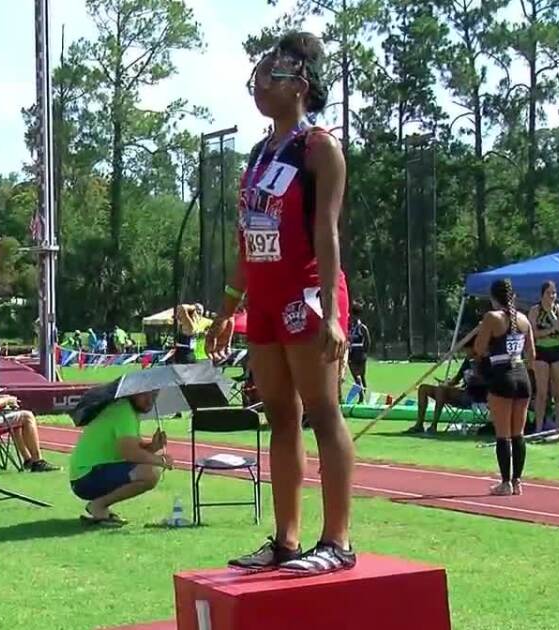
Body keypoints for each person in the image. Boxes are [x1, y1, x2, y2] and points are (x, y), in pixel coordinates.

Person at [205, 32, 356, 574]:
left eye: (272, 72)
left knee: (322, 412)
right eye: (258, 72)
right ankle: (286, 540)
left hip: (309, 297)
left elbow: (327, 233)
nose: (260, 82)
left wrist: (335, 317)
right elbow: (249, 235)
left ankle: (336, 541)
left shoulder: (320, 148)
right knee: (280, 418)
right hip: (264, 302)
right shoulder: (260, 152)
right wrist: (229, 306)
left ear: (302, 85)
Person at [69, 391, 171, 525]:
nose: (149, 400)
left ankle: (100, 506)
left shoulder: (126, 410)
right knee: (150, 473)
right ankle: (98, 506)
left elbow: (130, 451)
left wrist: (153, 447)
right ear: (132, 393)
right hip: (85, 477)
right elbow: (130, 454)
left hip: (85, 475)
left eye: (154, 395)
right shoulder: (123, 412)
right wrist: (160, 461)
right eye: (145, 395)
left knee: (148, 469)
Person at [473, 279, 535, 496]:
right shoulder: (525, 319)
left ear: (493, 298)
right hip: (522, 377)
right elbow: (532, 355)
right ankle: (518, 481)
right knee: (518, 433)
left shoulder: (492, 318)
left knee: (503, 434)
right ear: (513, 297)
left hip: (502, 377)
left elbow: (479, 348)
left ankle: (505, 482)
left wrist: (486, 336)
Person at [406, 335, 484, 434]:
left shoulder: (483, 361)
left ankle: (434, 425)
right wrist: (446, 383)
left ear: (473, 348)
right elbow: (456, 379)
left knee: (441, 390)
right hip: (463, 393)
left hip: (475, 397)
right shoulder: (467, 362)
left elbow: (486, 381)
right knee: (423, 388)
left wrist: (476, 370)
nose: (465, 353)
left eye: (466, 350)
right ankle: (419, 424)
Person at [528, 281, 559, 433]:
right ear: (542, 294)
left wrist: (551, 313)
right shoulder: (535, 310)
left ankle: (558, 427)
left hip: (557, 351)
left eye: (554, 293)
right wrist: (551, 330)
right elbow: (534, 334)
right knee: (542, 392)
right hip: (541, 352)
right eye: (548, 293)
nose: (551, 296)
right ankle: (538, 427)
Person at [346, 304, 371, 402]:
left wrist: (365, 352)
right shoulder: (351, 327)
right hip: (351, 352)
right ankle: (362, 397)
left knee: (360, 376)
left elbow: (368, 341)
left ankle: (362, 397)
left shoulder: (362, 327)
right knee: (356, 376)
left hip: (359, 353)